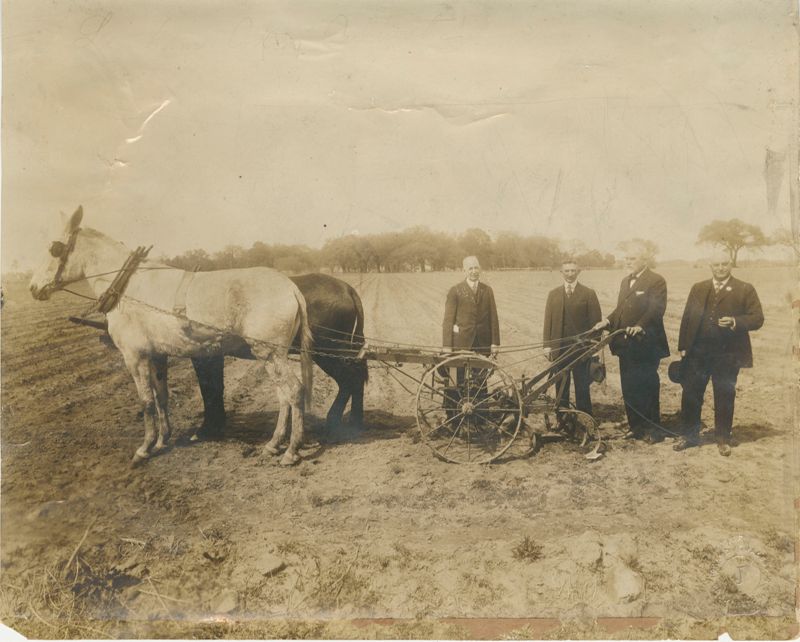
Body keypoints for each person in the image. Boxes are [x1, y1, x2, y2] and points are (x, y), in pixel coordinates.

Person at [673, 250, 764, 456]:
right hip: (698, 353)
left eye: (724, 264)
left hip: (728, 355)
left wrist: (735, 321)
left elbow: (758, 318)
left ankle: (723, 437)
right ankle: (689, 436)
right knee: (691, 393)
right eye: (716, 265)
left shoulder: (744, 289)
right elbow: (687, 318)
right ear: (710, 266)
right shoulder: (698, 288)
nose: (720, 268)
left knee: (724, 394)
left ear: (730, 264)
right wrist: (683, 347)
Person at [593, 241, 669, 442]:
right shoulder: (625, 281)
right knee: (629, 386)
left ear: (644, 260)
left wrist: (640, 325)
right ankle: (636, 427)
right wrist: (607, 321)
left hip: (646, 343)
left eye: (632, 258)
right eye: (626, 258)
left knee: (647, 385)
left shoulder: (656, 280)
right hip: (625, 344)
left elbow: (656, 309)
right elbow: (620, 310)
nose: (628, 262)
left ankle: (653, 430)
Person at [543, 258, 602, 415]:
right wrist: (547, 345)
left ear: (578, 272)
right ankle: (563, 417)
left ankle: (585, 418)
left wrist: (594, 348)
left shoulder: (588, 294)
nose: (570, 274)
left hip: (581, 350)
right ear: (561, 272)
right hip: (559, 349)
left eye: (573, 271)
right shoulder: (553, 294)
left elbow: (596, 323)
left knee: (582, 385)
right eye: (567, 271)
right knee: (561, 385)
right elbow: (547, 321)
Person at [442, 256, 500, 357]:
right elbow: (448, 321)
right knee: (460, 372)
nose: (474, 271)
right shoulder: (455, 291)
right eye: (470, 268)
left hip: (483, 344)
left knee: (482, 372)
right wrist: (447, 346)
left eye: (476, 268)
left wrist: (495, 343)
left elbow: (493, 318)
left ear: (480, 269)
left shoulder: (487, 290)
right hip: (461, 344)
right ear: (464, 271)